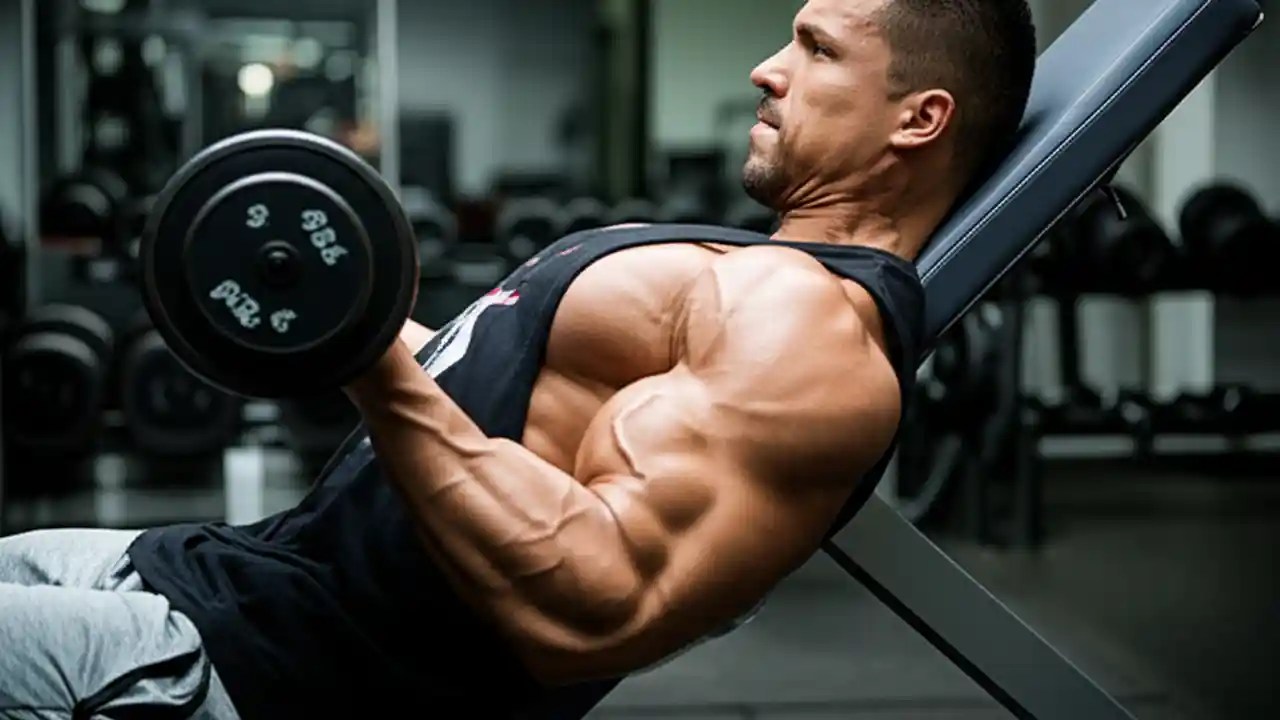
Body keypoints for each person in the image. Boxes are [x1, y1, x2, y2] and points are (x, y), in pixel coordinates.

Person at [0, 0, 1036, 717]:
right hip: (228, 577)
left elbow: (594, 604)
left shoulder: (807, 337)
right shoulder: (744, 276)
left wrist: (365, 350)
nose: (767, 66)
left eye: (814, 49)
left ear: (919, 116)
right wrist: (342, 327)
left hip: (259, 674)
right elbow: (470, 385)